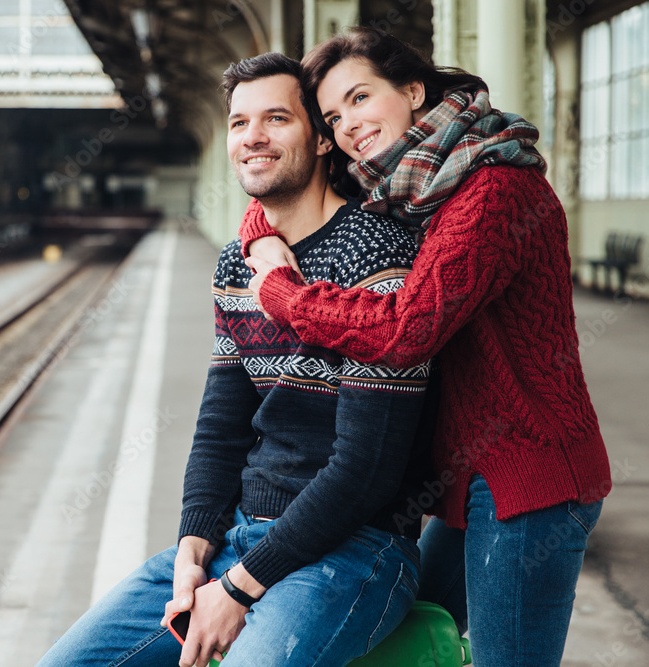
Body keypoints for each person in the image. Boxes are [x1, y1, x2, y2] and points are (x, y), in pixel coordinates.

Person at [39, 52, 440, 667]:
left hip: (355, 551)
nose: (252, 137)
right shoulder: (238, 263)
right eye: (237, 122)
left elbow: (367, 471)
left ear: (323, 138)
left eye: (276, 118)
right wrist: (192, 552)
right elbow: (221, 428)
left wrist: (238, 588)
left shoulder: (379, 254)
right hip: (238, 540)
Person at [241, 27, 612, 667]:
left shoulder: (492, 187)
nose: (350, 125)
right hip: (473, 471)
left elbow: (404, 331)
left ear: (413, 90)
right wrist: (256, 234)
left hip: (531, 472)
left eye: (360, 98)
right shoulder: (404, 184)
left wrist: (283, 292)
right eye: (333, 115)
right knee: (418, 637)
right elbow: (281, 192)